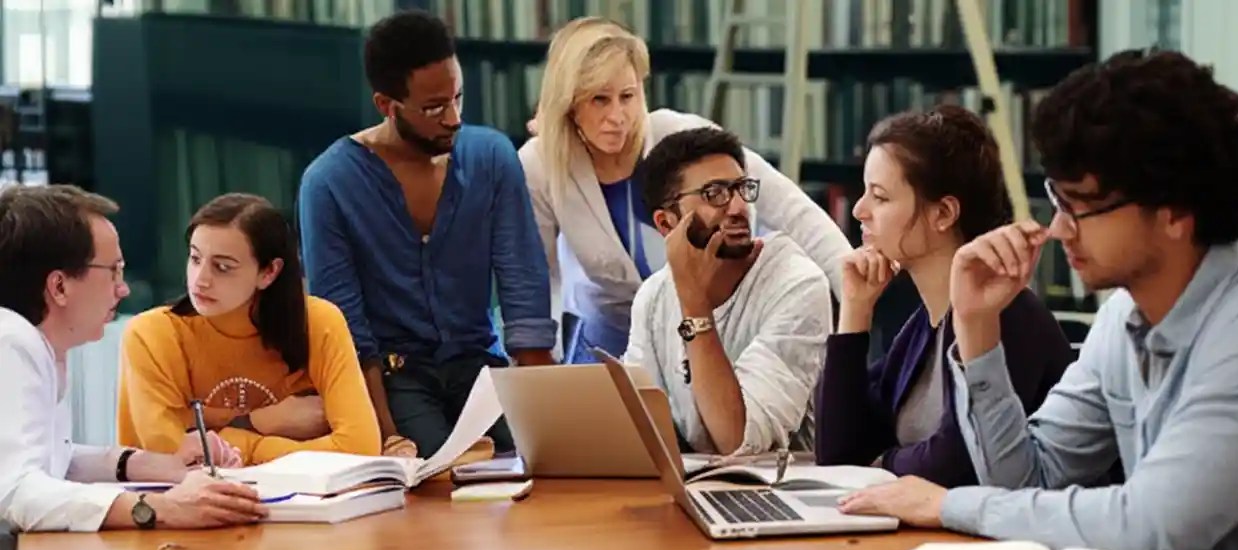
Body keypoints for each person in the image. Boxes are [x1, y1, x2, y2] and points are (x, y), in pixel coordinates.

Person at [838, 50, 1238, 550]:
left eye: (1082, 206)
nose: (1061, 229)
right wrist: (977, 328)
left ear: (1173, 213)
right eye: (1057, 200)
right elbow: (1027, 480)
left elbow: (1155, 525)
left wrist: (950, 504)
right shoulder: (1124, 317)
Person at [0, 185, 267, 550]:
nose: (124, 288)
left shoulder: (35, 345)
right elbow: (19, 491)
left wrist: (148, 465)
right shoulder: (10, 344)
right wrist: (160, 508)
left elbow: (49, 457)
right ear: (59, 286)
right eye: (114, 271)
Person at [297, 10, 556, 459]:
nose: (453, 117)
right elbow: (344, 327)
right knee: (437, 470)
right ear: (386, 105)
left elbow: (523, 285)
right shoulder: (329, 183)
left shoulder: (491, 157)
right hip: (399, 377)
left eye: (458, 97)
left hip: (481, 367)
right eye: (435, 107)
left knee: (531, 460)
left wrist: (544, 418)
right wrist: (384, 434)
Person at [519, 16, 849, 364]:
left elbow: (789, 208)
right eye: (600, 100)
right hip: (608, 335)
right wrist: (546, 362)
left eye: (628, 96)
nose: (618, 116)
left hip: (705, 325)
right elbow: (538, 277)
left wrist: (851, 286)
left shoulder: (678, 135)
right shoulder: (539, 165)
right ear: (569, 102)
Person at [814, 106, 1071, 485]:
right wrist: (855, 308)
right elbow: (839, 453)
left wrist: (880, 465)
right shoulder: (924, 325)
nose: (858, 210)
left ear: (944, 213)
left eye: (880, 197)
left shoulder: (1004, 315)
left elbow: (957, 461)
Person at [118, 194, 382, 465]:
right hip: (182, 501)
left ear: (268, 273)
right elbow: (171, 453)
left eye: (222, 267)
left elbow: (360, 447)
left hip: (302, 501)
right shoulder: (152, 334)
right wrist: (257, 423)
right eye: (195, 259)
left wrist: (235, 441)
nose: (201, 280)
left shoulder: (318, 321)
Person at [624, 127, 831, 455]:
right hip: (690, 486)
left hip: (774, 492)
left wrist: (694, 303)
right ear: (666, 224)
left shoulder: (797, 284)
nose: (737, 207)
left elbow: (738, 442)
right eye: (714, 193)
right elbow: (638, 424)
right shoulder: (653, 296)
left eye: (741, 188)